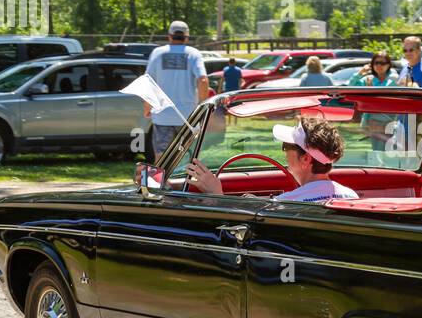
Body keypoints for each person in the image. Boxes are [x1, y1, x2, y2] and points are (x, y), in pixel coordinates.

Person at [186, 117, 358, 202]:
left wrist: (216, 194)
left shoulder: (287, 204)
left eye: (286, 147)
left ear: (305, 159)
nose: (284, 153)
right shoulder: (351, 196)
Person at [145, 21, 208, 158]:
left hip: (162, 116)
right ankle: (185, 180)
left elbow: (148, 82)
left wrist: (147, 106)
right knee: (188, 156)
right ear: (186, 37)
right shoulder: (194, 54)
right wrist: (203, 107)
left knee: (161, 157)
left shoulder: (157, 53)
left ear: (169, 36)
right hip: (187, 117)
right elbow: (203, 80)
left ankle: (162, 180)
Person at [352, 50, 397, 150]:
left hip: (390, 123)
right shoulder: (368, 80)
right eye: (376, 63)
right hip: (372, 123)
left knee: (388, 153)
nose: (379, 66)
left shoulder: (394, 80)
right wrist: (360, 73)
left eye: (383, 63)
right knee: (377, 153)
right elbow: (350, 86)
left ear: (388, 65)